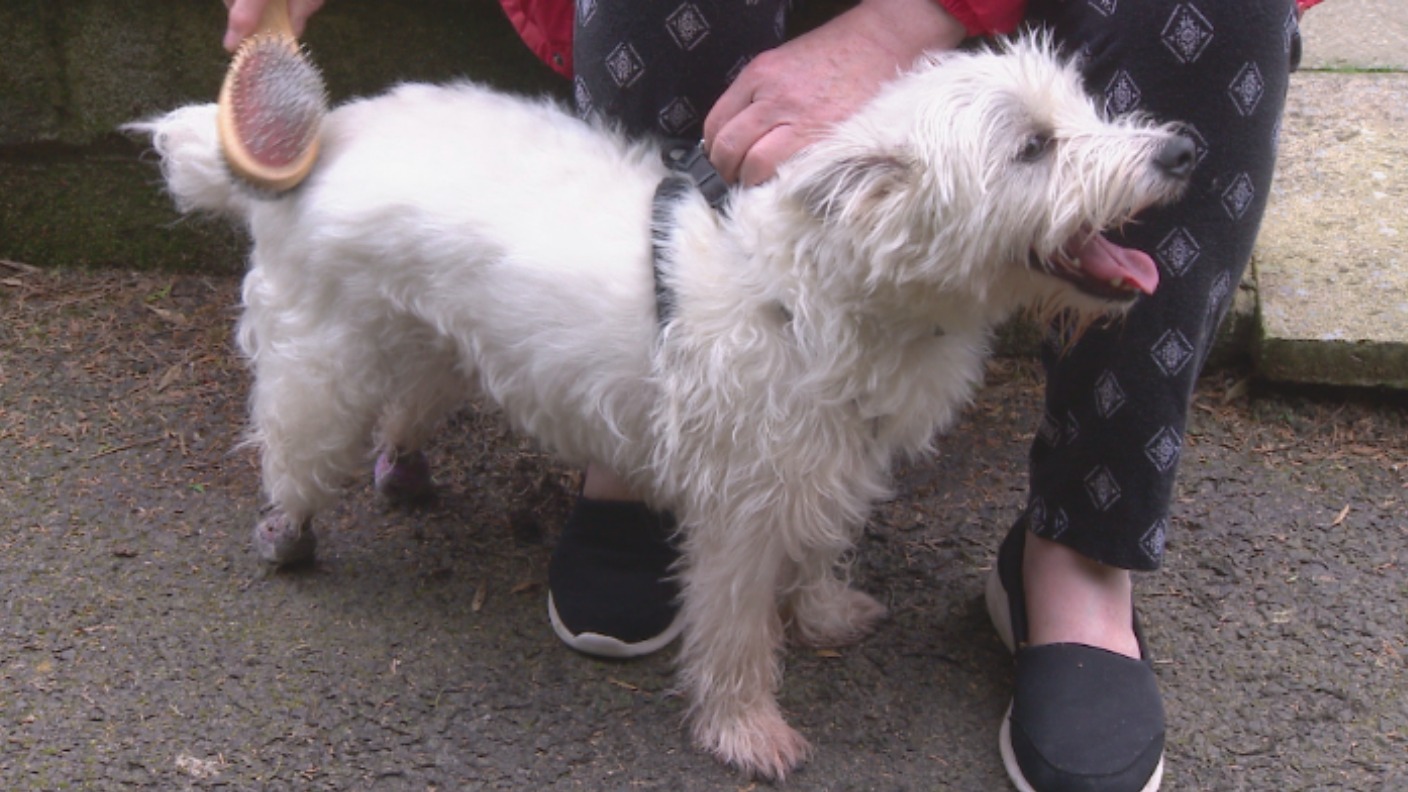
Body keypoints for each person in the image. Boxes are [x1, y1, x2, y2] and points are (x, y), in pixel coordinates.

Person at [223, 1, 1314, 788]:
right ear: (877, 206)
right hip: (391, 199)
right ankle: (308, 501)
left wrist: (917, 18)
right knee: (754, 504)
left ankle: (1071, 557)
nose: (1131, 161)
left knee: (805, 477)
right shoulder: (799, 291)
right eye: (1039, 151)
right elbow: (757, 523)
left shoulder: (892, 307)